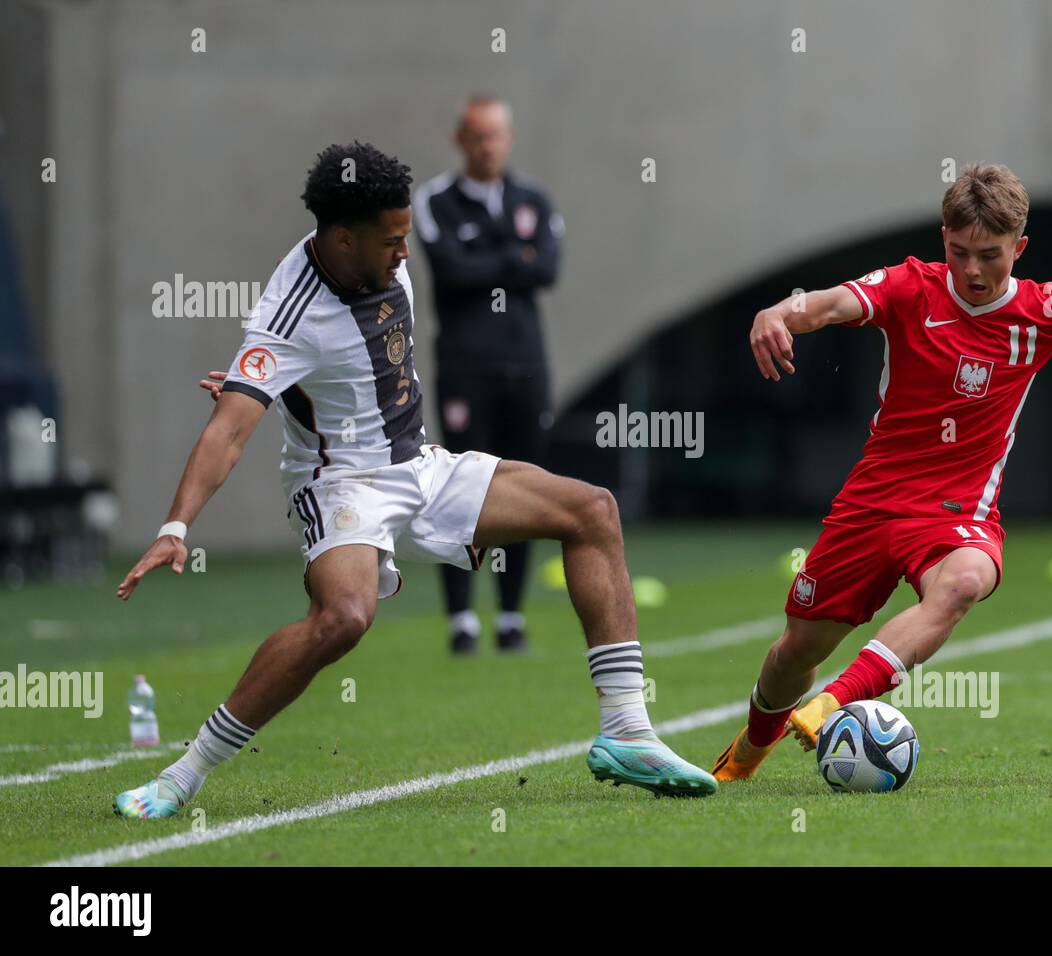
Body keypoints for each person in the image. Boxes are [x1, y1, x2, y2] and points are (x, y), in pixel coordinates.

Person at [113, 142, 716, 819]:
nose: (405, 253)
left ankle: (627, 730)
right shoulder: (286, 318)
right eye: (393, 241)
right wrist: (176, 527)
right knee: (344, 618)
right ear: (344, 238)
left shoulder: (371, 246)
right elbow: (228, 431)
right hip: (341, 484)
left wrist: (283, 387)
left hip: (419, 466)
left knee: (592, 510)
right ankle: (184, 775)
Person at [711, 163, 1052, 780]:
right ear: (944, 237)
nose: (971, 270)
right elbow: (829, 305)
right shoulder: (908, 287)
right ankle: (745, 756)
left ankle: (837, 701)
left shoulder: (1047, 308)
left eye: (990, 256)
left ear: (1019, 248)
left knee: (964, 582)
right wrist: (777, 312)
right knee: (797, 649)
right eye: (959, 251)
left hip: (956, 513)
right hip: (872, 502)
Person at [412, 96, 561, 655]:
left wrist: (496, 259)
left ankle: (512, 616)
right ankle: (460, 618)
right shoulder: (435, 201)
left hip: (525, 366)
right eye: (477, 137)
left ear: (509, 138)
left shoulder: (532, 198)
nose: (487, 146)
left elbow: (547, 268)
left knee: (523, 488)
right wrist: (511, 258)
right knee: (461, 487)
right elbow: (450, 271)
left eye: (496, 136)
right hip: (465, 366)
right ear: (461, 140)